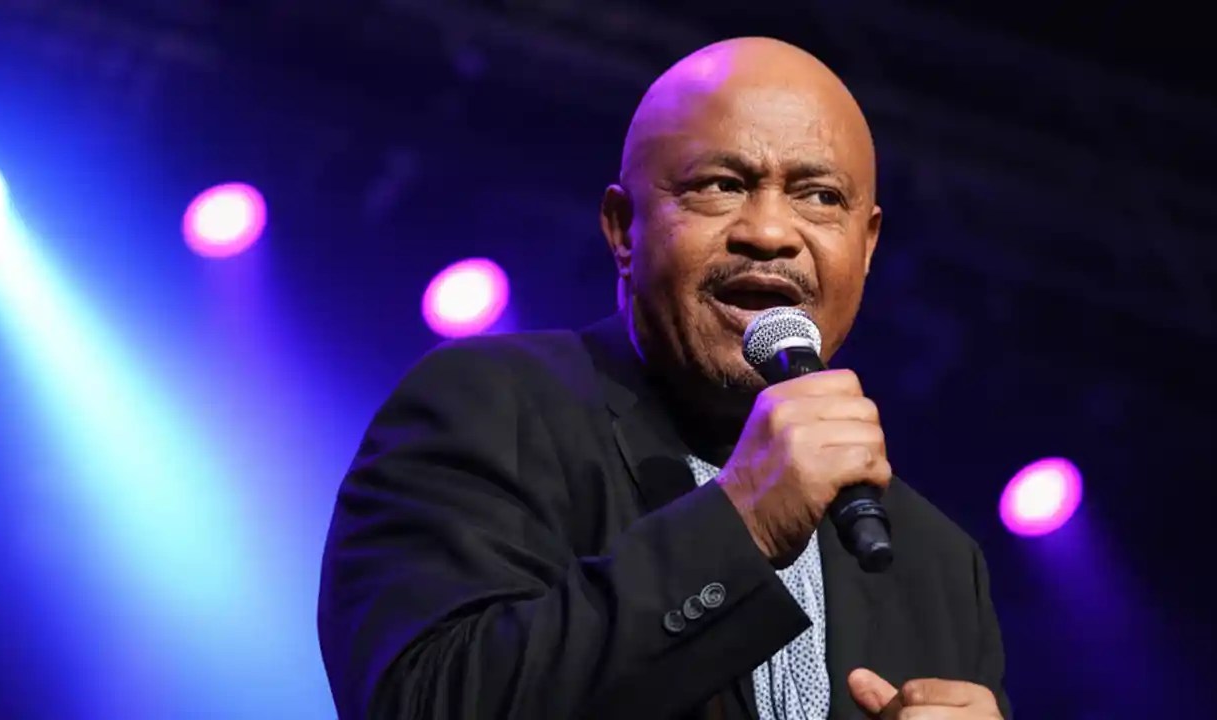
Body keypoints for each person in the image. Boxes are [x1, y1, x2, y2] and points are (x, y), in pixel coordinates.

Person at [318, 36, 1011, 720]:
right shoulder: (489, 411)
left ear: (867, 245)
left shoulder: (939, 565)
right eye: (721, 186)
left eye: (820, 197)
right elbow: (424, 702)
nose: (770, 232)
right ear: (624, 229)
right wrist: (743, 524)